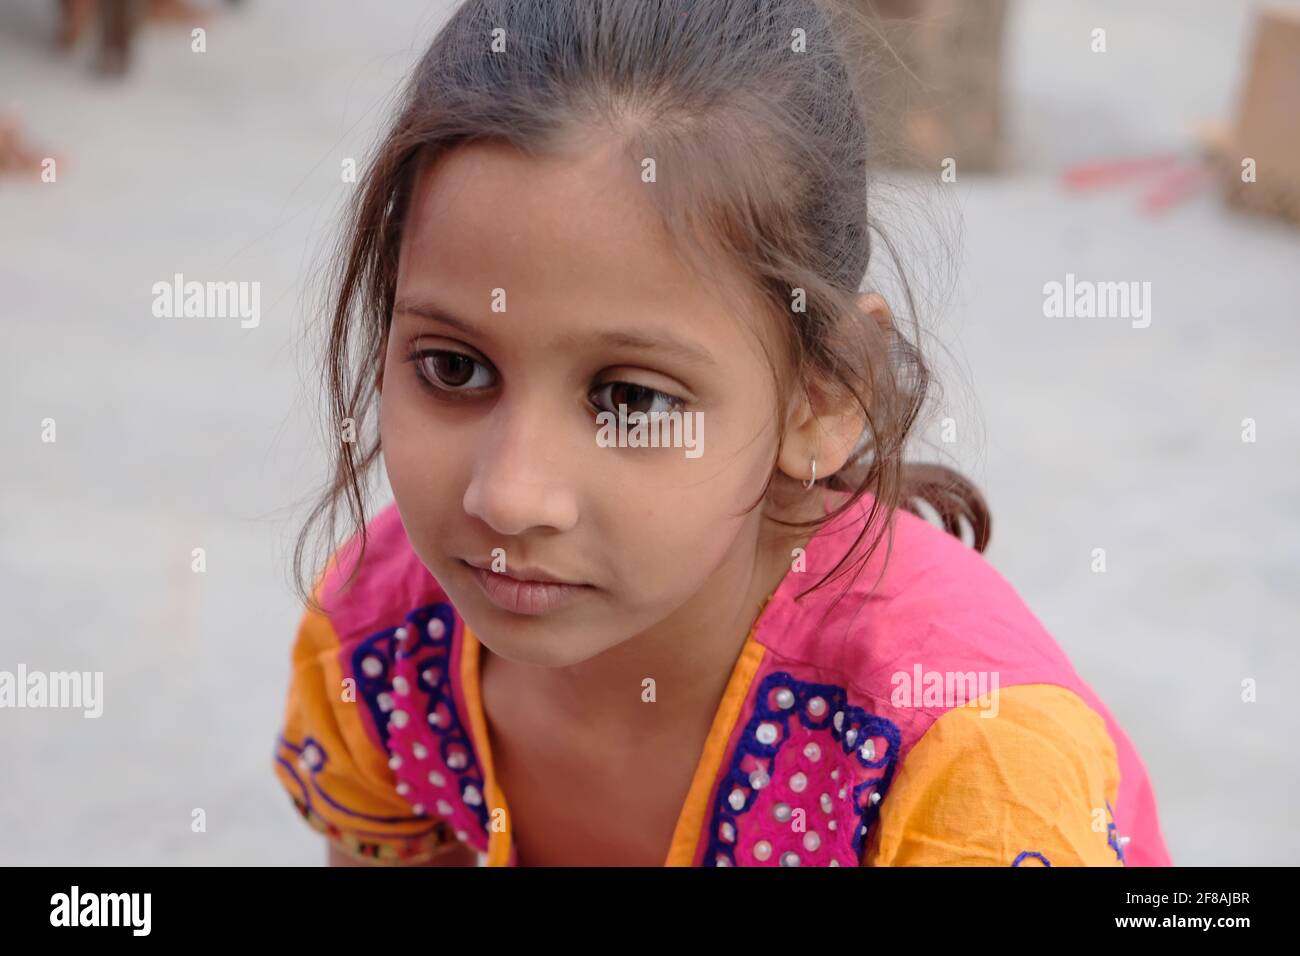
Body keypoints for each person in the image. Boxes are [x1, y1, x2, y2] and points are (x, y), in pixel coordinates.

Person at [272, 0, 1171, 867]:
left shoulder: (968, 760)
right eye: (454, 368)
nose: (508, 495)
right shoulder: (381, 641)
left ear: (822, 397)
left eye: (634, 399)